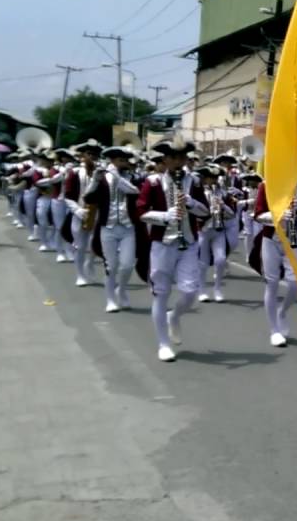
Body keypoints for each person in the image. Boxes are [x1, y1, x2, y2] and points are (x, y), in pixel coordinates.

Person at [136, 136, 209, 362]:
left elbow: (205, 212)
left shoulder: (194, 182)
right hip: (162, 244)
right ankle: (164, 344)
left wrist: (191, 203)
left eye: (182, 157)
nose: (178, 162)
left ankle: (174, 316)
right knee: (161, 294)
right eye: (173, 158)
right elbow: (141, 212)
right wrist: (165, 216)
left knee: (190, 291)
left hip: (188, 243)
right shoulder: (153, 182)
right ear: (165, 160)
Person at [254, 177, 297, 347]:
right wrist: (277, 215)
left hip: (293, 240)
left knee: (294, 284)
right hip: (271, 239)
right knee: (272, 283)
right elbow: (258, 215)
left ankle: (282, 312)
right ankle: (274, 330)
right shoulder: (266, 185)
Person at [87, 145, 140, 313]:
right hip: (108, 227)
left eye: (125, 160)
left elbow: (135, 192)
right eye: (120, 160)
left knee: (128, 264)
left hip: (127, 227)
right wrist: (94, 181)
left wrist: (116, 176)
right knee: (111, 266)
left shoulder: (133, 178)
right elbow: (88, 198)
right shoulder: (102, 178)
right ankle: (110, 299)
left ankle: (121, 290)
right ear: (112, 161)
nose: (124, 163)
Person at [64, 141, 104, 287]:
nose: (92, 157)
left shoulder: (103, 172)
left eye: (95, 155)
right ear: (84, 155)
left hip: (98, 212)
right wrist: (77, 210)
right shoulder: (75, 173)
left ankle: (90, 263)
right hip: (80, 212)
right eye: (89, 154)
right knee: (80, 246)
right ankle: (80, 274)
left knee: (95, 244)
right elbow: (67, 196)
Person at [196, 165, 236, 303]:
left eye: (215, 177)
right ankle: (202, 290)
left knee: (221, 259)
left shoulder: (223, 193)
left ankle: (217, 289)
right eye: (210, 177)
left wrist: (222, 206)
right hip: (203, 230)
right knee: (203, 262)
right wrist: (206, 211)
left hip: (218, 229)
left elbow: (232, 214)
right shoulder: (198, 192)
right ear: (204, 178)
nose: (213, 180)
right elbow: (193, 210)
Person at [51, 148, 78, 264]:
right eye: (64, 157)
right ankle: (60, 252)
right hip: (58, 200)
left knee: (70, 227)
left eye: (69, 157)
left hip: (71, 200)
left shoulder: (76, 169)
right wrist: (65, 172)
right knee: (59, 227)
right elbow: (53, 180)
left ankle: (69, 251)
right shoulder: (56, 168)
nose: (67, 159)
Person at [34, 152, 64, 253]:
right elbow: (37, 182)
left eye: (50, 160)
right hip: (44, 197)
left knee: (57, 223)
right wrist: (50, 180)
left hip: (56, 198)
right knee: (42, 221)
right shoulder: (38, 170)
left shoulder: (57, 170)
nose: (47, 162)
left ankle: (53, 241)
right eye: (45, 160)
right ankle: (44, 242)